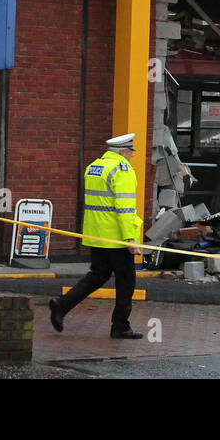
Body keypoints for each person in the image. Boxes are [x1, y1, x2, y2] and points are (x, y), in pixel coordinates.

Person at [49, 133, 145, 339]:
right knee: (126, 280)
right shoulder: (122, 169)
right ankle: (120, 326)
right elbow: (125, 208)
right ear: (123, 151)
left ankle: (62, 305)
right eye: (130, 153)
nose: (131, 157)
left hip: (96, 235)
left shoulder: (94, 167)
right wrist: (131, 239)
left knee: (98, 275)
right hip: (116, 237)